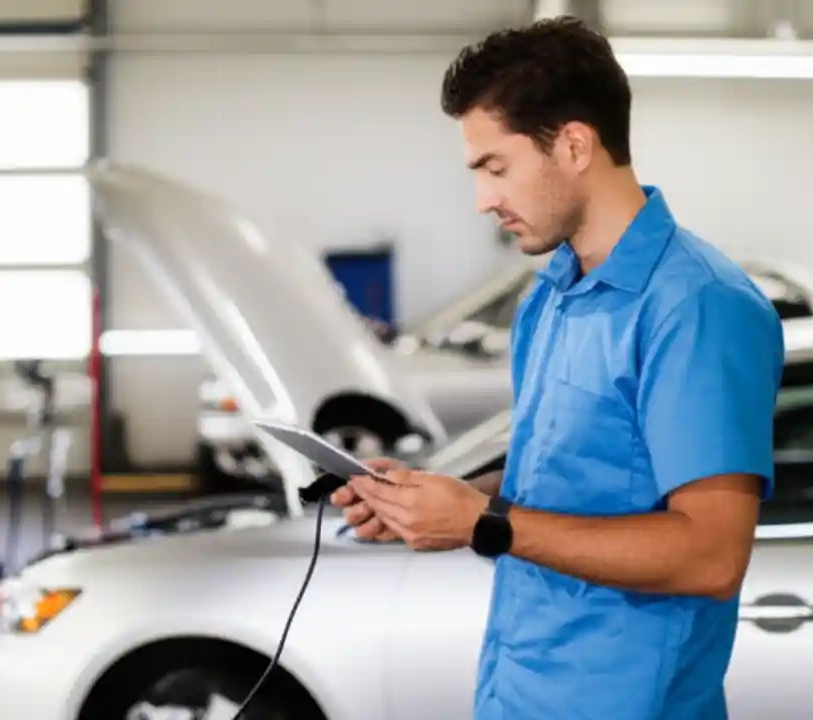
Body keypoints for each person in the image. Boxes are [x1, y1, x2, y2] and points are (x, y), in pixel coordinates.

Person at [332, 16, 784, 720]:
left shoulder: (699, 307)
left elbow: (712, 555)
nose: (484, 199)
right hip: (520, 691)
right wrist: (435, 501)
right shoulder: (553, 295)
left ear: (573, 144)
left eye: (495, 167)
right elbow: (557, 480)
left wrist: (483, 522)